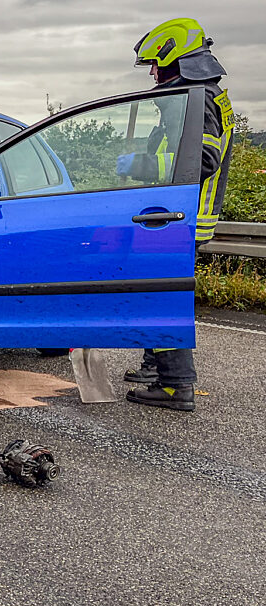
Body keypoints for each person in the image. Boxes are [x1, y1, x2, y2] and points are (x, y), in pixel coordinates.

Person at [117, 18, 234, 412]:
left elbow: (201, 159)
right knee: (157, 292)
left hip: (181, 219)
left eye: (156, 65)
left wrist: (141, 163)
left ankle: (175, 385)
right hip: (179, 216)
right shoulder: (203, 94)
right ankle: (155, 367)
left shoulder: (197, 98)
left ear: (174, 58)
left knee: (160, 298)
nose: (152, 73)